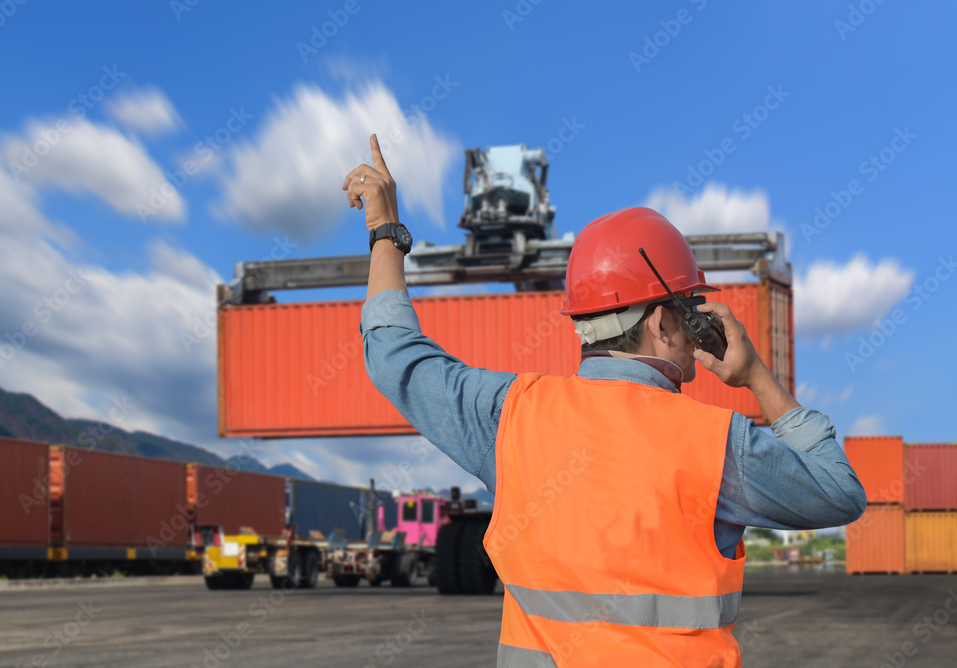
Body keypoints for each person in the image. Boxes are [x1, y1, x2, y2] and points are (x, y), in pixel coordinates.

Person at [344, 134, 866, 667]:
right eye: (691, 310)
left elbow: (392, 355)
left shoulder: (510, 415)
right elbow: (839, 493)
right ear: (664, 322)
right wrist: (756, 376)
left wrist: (385, 231)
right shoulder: (715, 444)